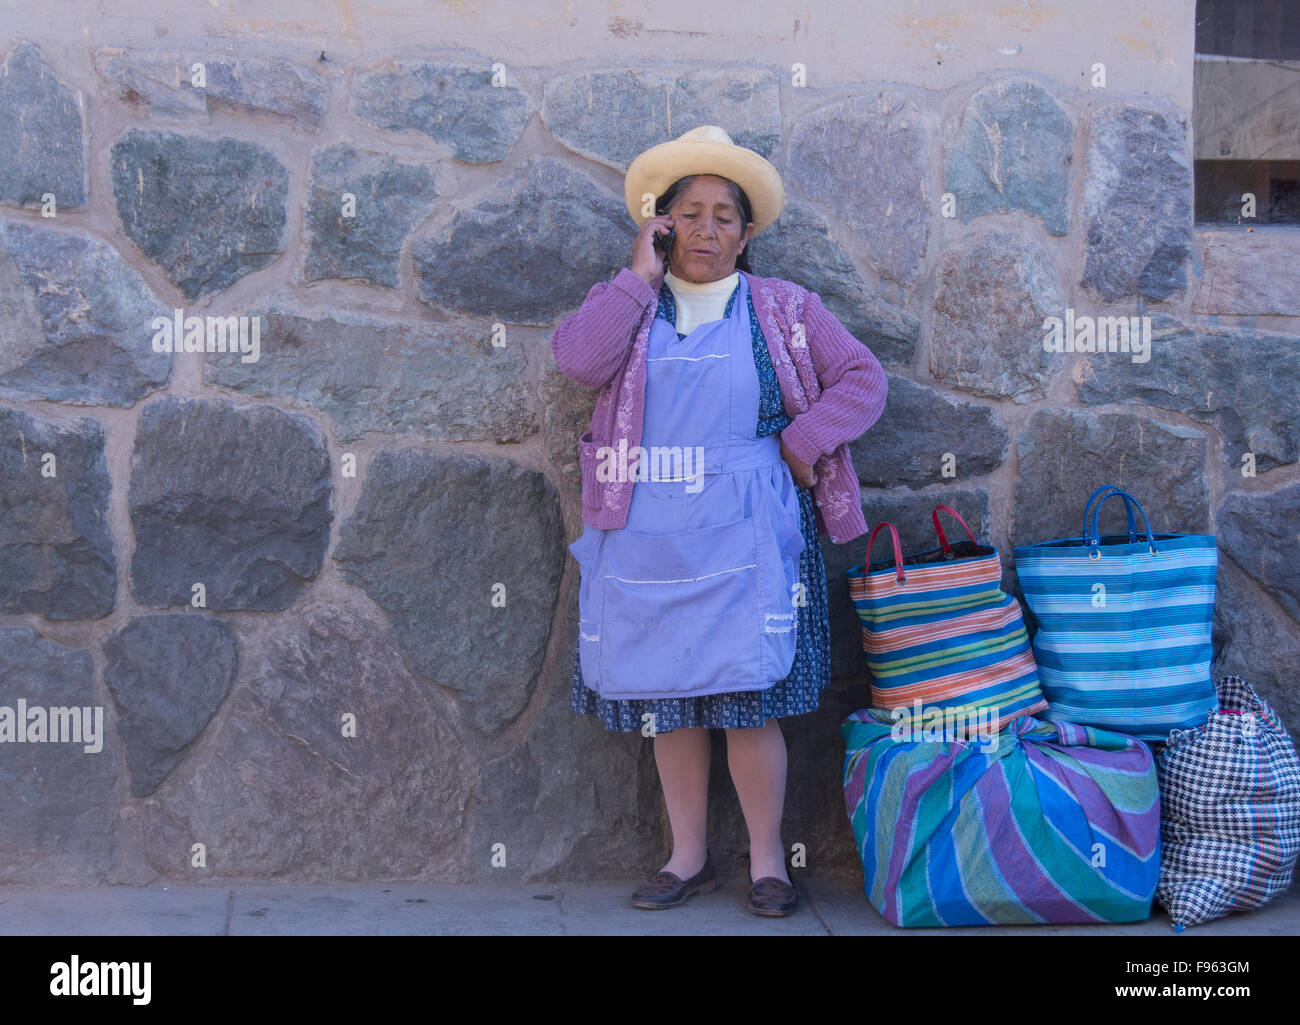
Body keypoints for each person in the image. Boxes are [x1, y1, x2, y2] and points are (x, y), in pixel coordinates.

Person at [551, 125, 887, 917]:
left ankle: (769, 863)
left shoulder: (784, 308)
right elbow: (578, 362)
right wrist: (637, 276)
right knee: (669, 694)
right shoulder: (631, 305)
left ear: (747, 233)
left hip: (749, 527)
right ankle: (688, 856)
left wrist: (803, 441)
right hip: (649, 527)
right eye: (689, 213)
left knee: (746, 697)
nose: (708, 229)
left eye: (725, 216)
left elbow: (863, 379)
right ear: (661, 225)